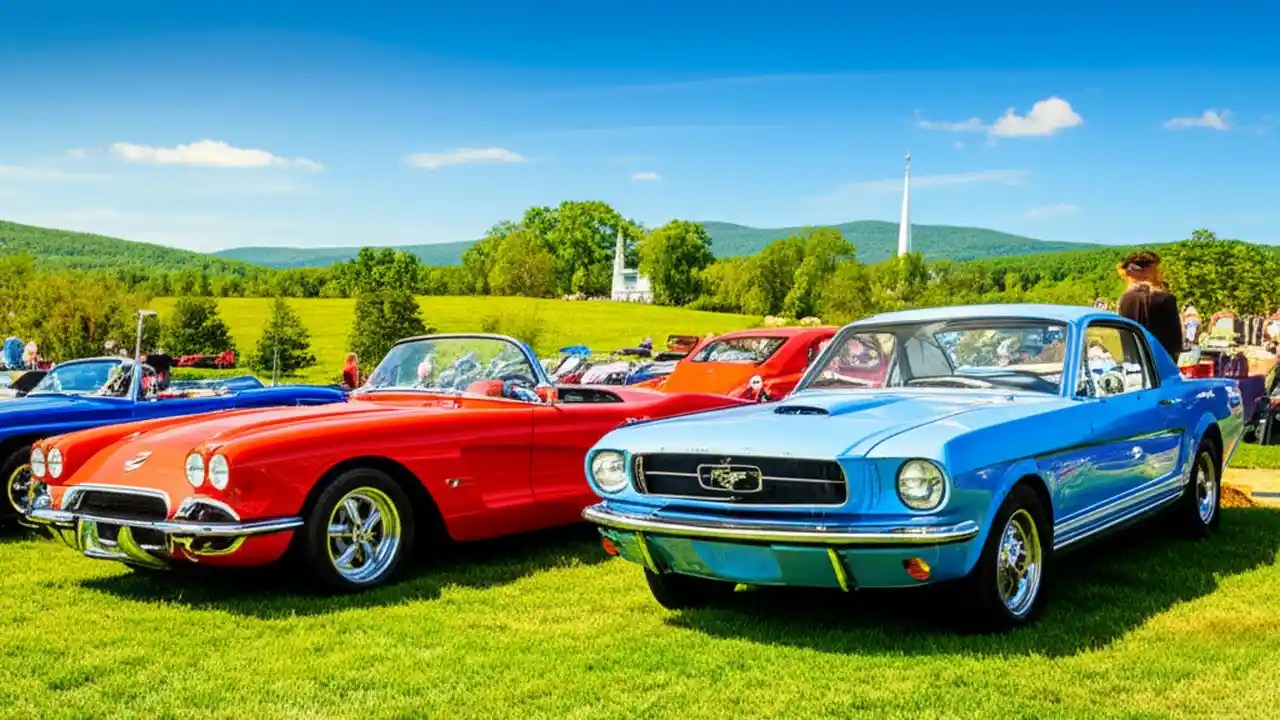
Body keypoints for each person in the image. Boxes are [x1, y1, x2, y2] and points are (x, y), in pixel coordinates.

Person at [1116, 250, 1183, 359]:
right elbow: (1175, 343)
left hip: (1135, 362)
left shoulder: (1127, 299)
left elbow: (1124, 337)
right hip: (1162, 364)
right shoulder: (1166, 298)